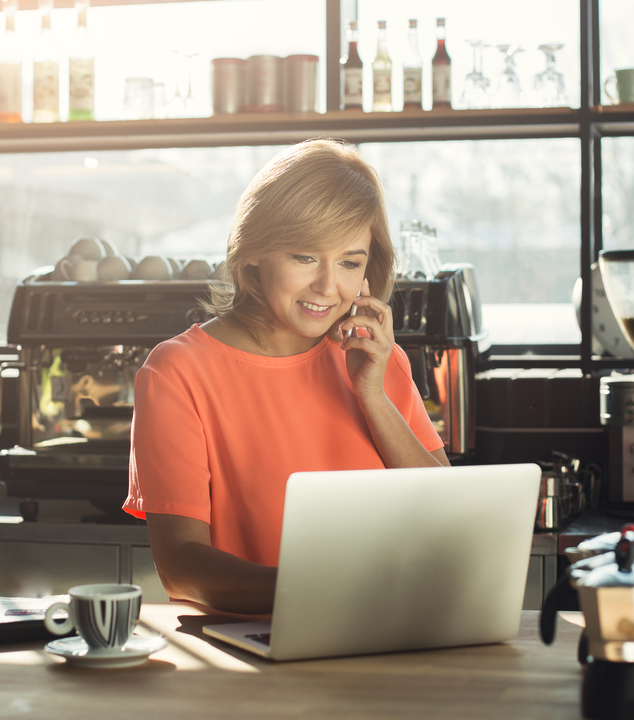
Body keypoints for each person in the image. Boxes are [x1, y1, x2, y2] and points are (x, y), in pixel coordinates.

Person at [125, 139, 448, 615]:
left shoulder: (377, 360)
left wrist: (372, 396)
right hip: (256, 649)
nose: (327, 286)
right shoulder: (176, 372)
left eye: (349, 262)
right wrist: (320, 593)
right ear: (255, 251)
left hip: (390, 631)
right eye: (304, 257)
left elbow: (451, 514)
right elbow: (181, 566)